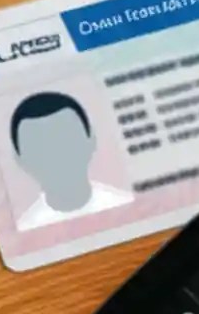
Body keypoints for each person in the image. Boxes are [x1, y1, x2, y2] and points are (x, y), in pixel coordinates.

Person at [10, 92, 131, 231]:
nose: (56, 157)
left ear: (91, 140)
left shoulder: (126, 207)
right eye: (40, 147)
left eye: (66, 139)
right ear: (19, 159)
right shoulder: (27, 228)